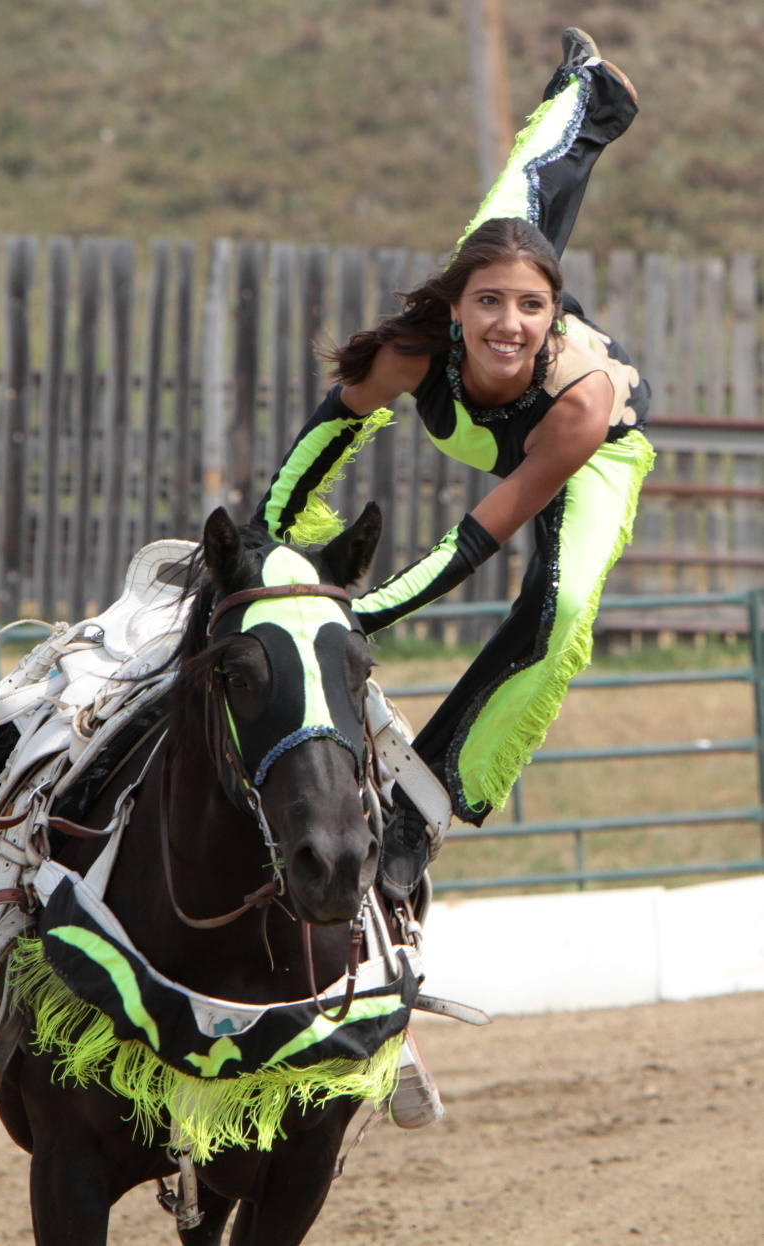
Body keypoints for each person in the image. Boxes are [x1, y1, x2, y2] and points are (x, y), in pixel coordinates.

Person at [252, 30, 655, 903]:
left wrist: (367, 610)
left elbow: (482, 534)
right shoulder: (418, 346)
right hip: (473, 397)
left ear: (557, 315)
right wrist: (267, 530)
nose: (508, 324)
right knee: (508, 219)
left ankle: (422, 806)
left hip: (575, 456)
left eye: (531, 308)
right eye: (489, 305)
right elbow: (326, 433)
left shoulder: (585, 398)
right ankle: (588, 98)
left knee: (563, 609)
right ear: (459, 310)